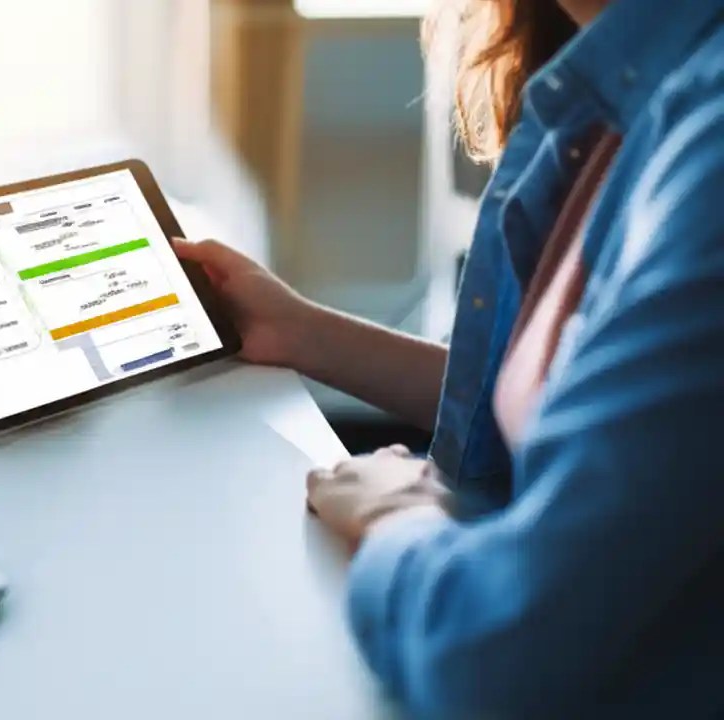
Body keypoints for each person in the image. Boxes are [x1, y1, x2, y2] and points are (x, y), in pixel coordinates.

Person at [174, 0, 724, 716]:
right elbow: (578, 399)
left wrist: (393, 513)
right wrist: (303, 332)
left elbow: (498, 653)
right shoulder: (626, 78)